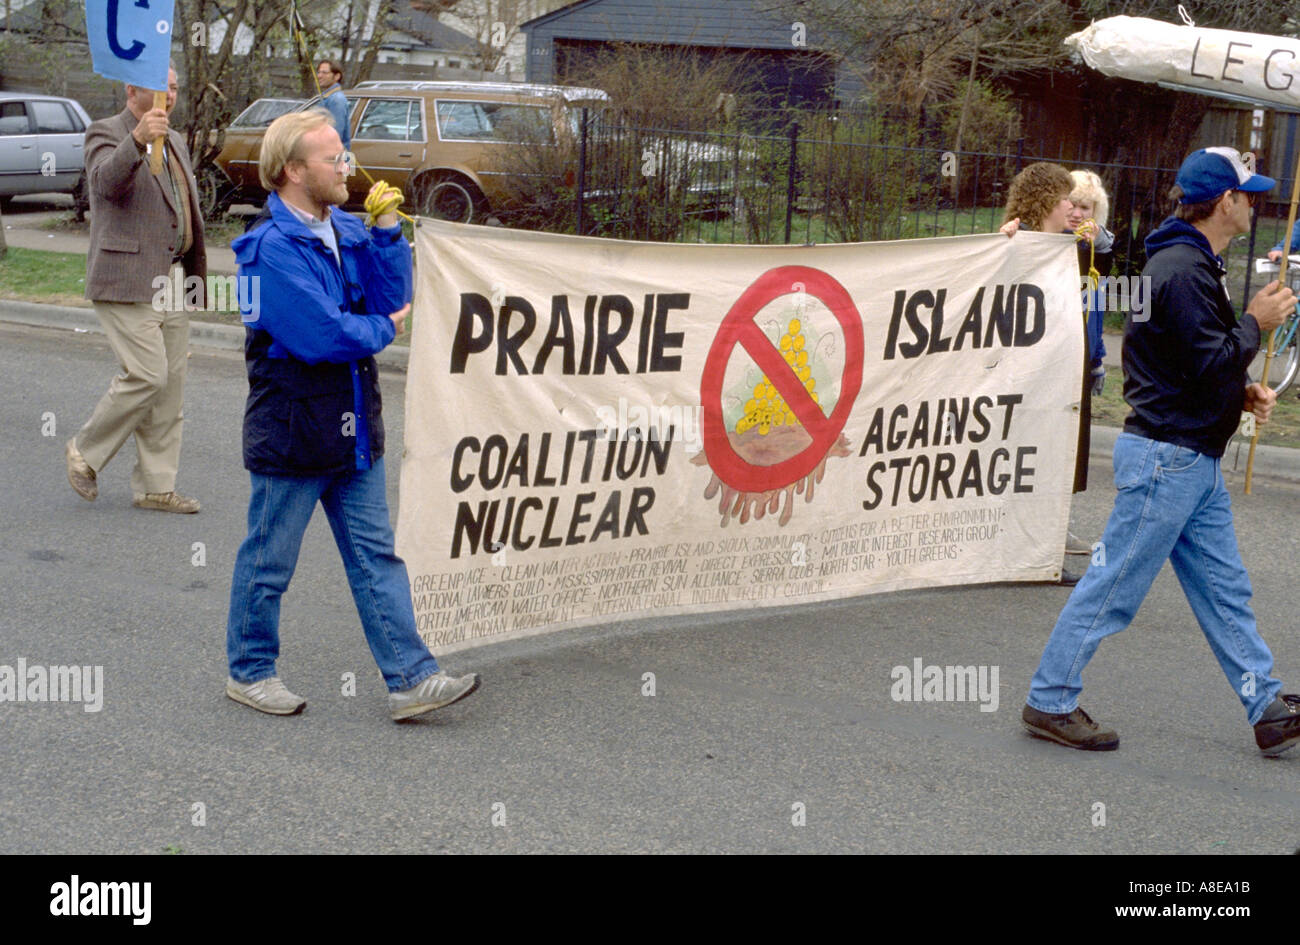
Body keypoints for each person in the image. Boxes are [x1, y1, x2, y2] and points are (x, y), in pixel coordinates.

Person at [1021, 146, 1300, 757]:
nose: (1256, 203)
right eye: (1248, 194)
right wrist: (1254, 322)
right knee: (1111, 587)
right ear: (1224, 203)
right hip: (1169, 459)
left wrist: (1239, 392)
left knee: (1225, 590)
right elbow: (1209, 358)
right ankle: (1049, 699)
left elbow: (1190, 362)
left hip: (1186, 457)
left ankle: (1268, 706)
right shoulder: (1181, 268)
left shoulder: (1187, 262)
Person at [224, 108, 478, 721]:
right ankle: (250, 672)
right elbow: (323, 336)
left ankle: (411, 679)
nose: (347, 166)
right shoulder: (266, 250)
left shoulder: (346, 228)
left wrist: (389, 231)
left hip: (355, 427)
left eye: (344, 154)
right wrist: (381, 330)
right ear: (291, 171)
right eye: (332, 157)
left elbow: (396, 299)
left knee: (374, 558)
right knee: (269, 560)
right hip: (293, 429)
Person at [65, 65, 205, 514]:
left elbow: (183, 210)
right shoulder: (106, 132)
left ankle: (155, 486)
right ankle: (85, 452)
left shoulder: (178, 141)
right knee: (148, 374)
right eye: (162, 88)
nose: (171, 95)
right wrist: (139, 140)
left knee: (169, 391)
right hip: (126, 278)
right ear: (132, 92)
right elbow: (104, 186)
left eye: (176, 88)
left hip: (174, 277)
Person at [998, 162, 1088, 584]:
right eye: (1066, 197)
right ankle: (1018, 551)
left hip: (1059, 369)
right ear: (1046, 200)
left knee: (1047, 458)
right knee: (1021, 457)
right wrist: (1002, 246)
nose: (1073, 206)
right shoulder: (1016, 242)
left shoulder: (1073, 245)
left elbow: (1105, 246)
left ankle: (1038, 552)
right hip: (1023, 372)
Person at [1064, 169, 1116, 553]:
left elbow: (1096, 302)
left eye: (1087, 207)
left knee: (1073, 446)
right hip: (1059, 351)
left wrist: (1097, 357)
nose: (1080, 213)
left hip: (1083, 351)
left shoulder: (1098, 246)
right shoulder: (1053, 241)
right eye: (1074, 204)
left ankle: (1059, 523)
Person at [316, 60, 351, 150]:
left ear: (337, 76)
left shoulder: (336, 100)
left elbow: (335, 134)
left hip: (331, 156)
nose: (319, 76)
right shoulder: (327, 97)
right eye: (319, 72)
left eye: (325, 73)